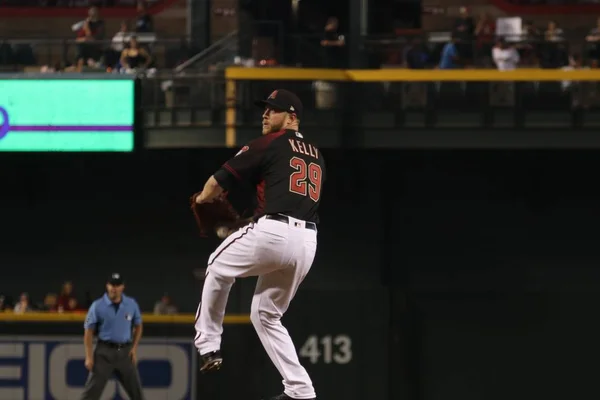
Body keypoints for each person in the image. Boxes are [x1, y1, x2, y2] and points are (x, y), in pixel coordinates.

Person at [193, 89, 325, 400]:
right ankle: (300, 390)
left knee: (216, 266)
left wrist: (202, 199)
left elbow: (215, 183)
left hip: (275, 233)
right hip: (308, 242)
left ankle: (208, 345)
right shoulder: (316, 153)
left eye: (274, 110)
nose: (265, 115)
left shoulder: (269, 143)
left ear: (291, 117)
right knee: (266, 314)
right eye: (265, 109)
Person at [80, 273, 144, 400]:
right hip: (104, 352)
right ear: (107, 286)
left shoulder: (131, 304)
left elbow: (138, 325)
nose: (114, 288)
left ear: (122, 287)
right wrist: (88, 356)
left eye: (117, 285)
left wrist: (134, 348)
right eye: (111, 285)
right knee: (90, 395)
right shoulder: (96, 305)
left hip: (125, 352)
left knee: (138, 395)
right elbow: (88, 329)